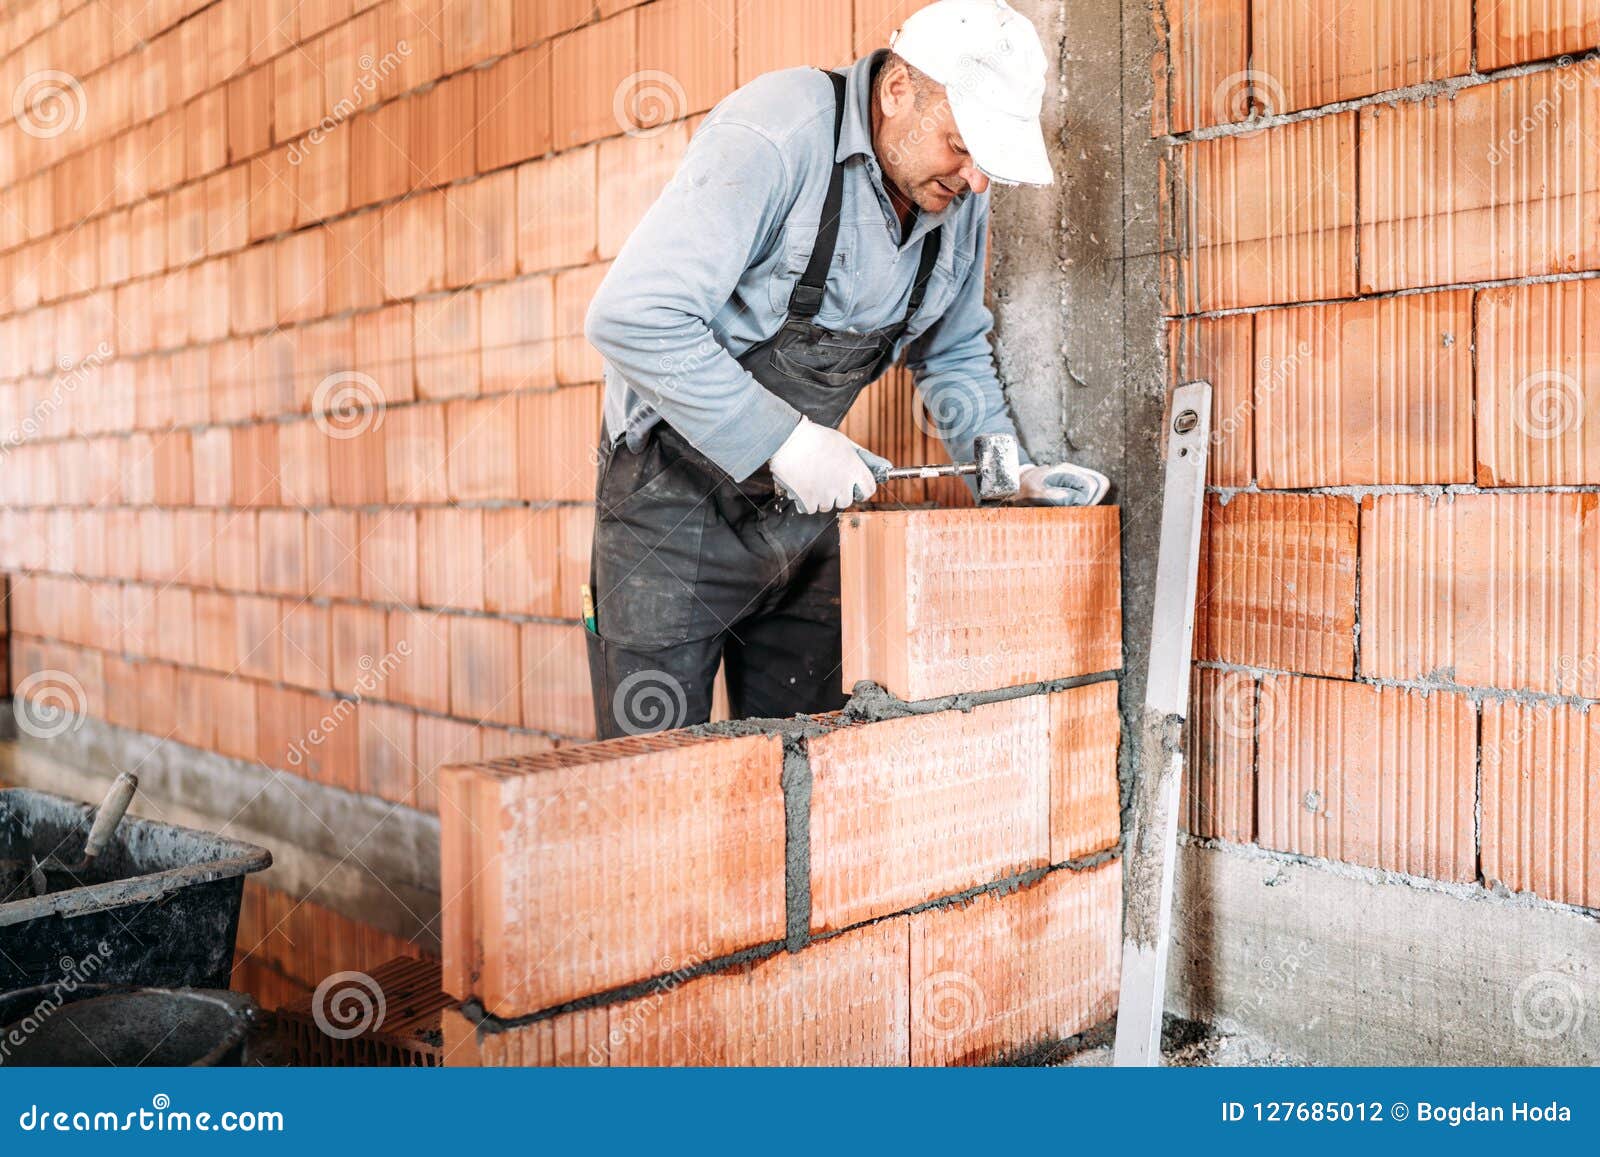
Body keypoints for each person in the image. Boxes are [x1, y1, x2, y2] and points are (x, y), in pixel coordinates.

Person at [583, 0, 1109, 737]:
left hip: (798, 520)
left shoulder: (955, 193)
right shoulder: (778, 133)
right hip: (669, 510)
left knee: (802, 768)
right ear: (898, 92)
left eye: (985, 159)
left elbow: (951, 348)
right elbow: (632, 316)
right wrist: (786, 442)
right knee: (659, 780)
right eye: (961, 145)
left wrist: (1006, 471)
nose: (976, 180)